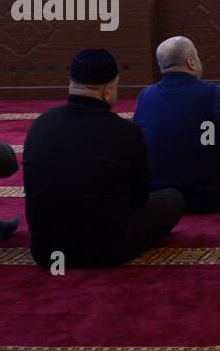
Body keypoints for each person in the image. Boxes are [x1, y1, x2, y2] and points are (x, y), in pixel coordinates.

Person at [24, 49, 184, 268]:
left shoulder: (40, 124)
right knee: (173, 199)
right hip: (106, 249)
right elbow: (140, 197)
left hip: (46, 250)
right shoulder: (125, 132)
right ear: (108, 91)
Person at [133, 36, 220, 214]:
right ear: (191, 62)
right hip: (206, 195)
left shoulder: (145, 96)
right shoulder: (214, 93)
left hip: (158, 194)